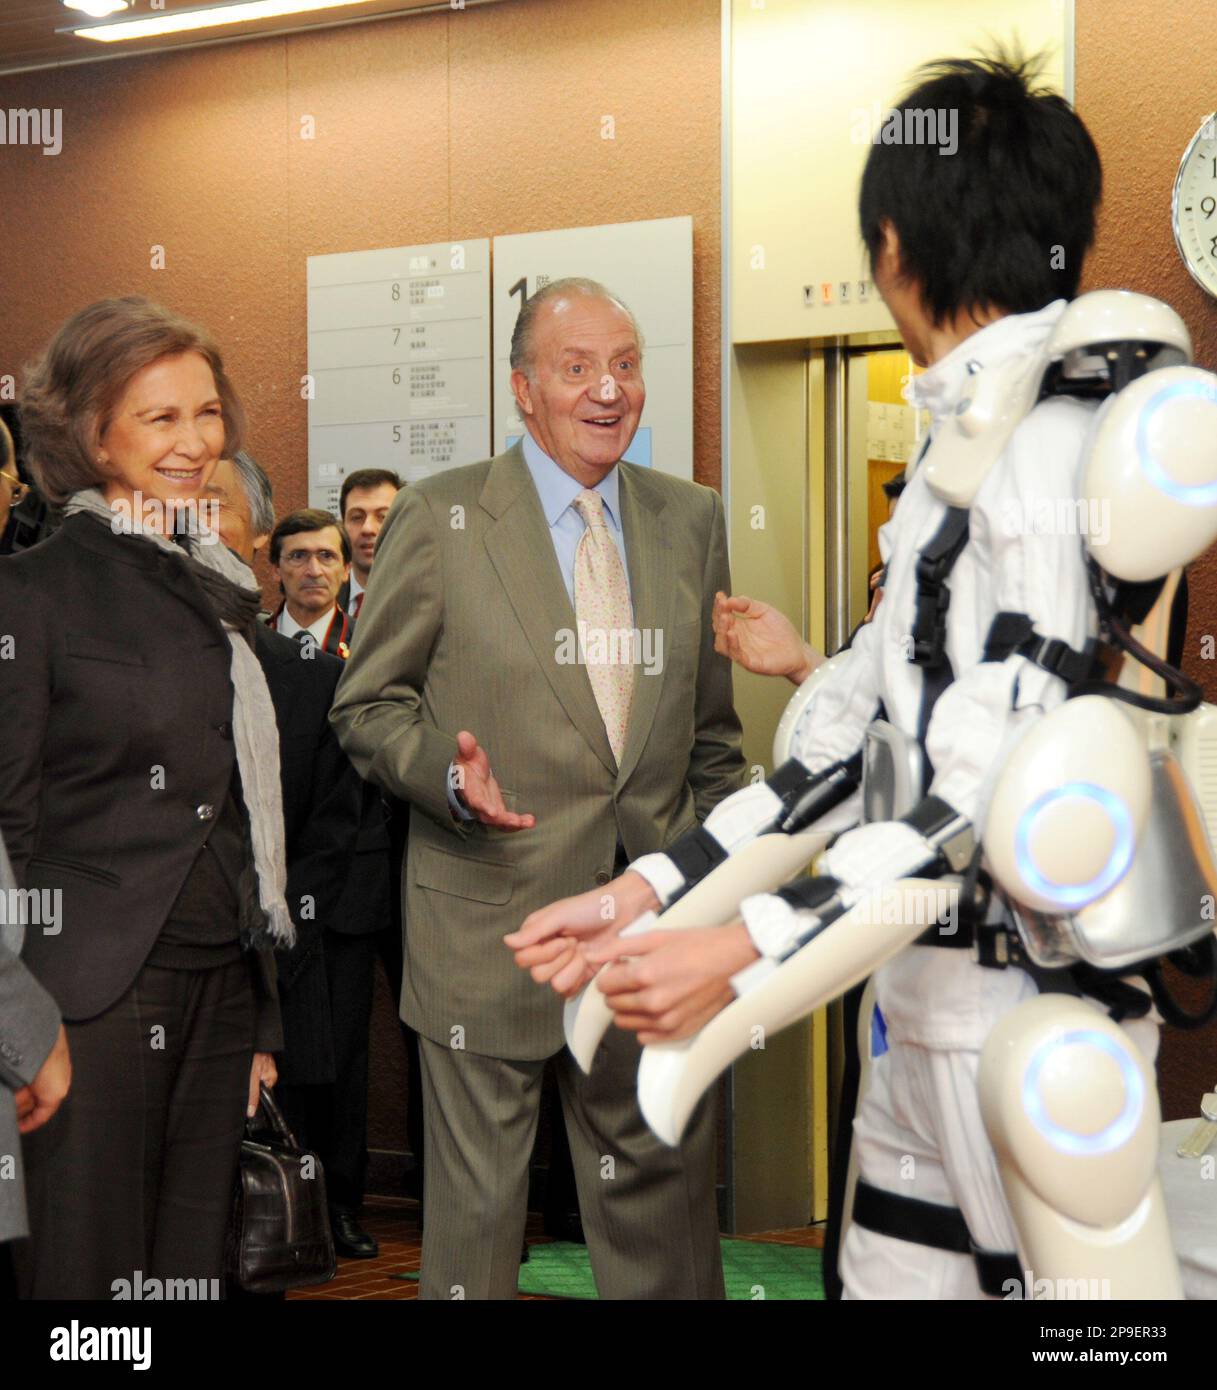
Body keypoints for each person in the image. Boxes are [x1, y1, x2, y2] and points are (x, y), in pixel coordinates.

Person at [511, 55, 1153, 1300]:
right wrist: (649, 893)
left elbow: (984, 792)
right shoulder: (959, 456)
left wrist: (743, 949)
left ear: (894, 246)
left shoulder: (1043, 453)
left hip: (1026, 1011)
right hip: (919, 1000)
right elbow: (845, 750)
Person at [331, 276, 745, 1299]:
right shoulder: (440, 516)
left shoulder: (690, 519)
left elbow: (710, 739)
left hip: (645, 932)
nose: (608, 389)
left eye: (625, 365)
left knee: (662, 1219)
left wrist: (711, 900)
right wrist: (448, 777)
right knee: (476, 1236)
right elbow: (366, 706)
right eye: (576, 368)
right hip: (488, 931)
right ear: (522, 390)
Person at [0, 295, 287, 1300]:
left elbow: (239, 813)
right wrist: (20, 1025)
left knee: (184, 1278)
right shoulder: (31, 592)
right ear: (90, 432)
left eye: (205, 414)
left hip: (219, 986)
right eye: (160, 417)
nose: (193, 442)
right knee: (86, 1282)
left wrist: (260, 1021)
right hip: (83, 996)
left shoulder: (217, 585)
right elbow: (5, 827)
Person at [204, 453, 367, 1267]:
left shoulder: (314, 681)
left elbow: (333, 825)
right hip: (159, 961)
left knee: (303, 1093)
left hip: (289, 941)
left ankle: (312, 1217)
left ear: (254, 535)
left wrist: (281, 926)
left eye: (210, 505)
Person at [266, 509, 354, 656]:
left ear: (346, 569)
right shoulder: (250, 640)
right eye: (298, 556)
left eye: (326, 556)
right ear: (276, 569)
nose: (314, 571)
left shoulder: (368, 643)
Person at [338, 468, 400, 620]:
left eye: (383, 517)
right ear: (342, 525)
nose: (368, 529)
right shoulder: (322, 599)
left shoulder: (429, 598)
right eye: (357, 517)